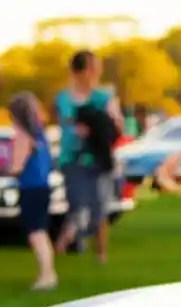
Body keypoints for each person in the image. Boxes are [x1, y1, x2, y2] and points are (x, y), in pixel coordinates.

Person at [53, 50, 123, 263]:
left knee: (100, 205)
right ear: (79, 71)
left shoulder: (105, 97)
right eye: (92, 68)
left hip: (99, 158)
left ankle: (100, 254)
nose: (96, 72)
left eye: (97, 68)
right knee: (77, 204)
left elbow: (117, 126)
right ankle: (62, 248)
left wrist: (103, 125)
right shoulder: (63, 98)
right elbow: (64, 123)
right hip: (72, 159)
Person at [7, 92, 58, 290]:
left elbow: (17, 166)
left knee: (36, 233)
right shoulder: (40, 135)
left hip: (30, 188)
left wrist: (3, 169)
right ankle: (48, 272)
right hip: (43, 187)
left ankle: (47, 275)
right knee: (41, 231)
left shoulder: (22, 136)